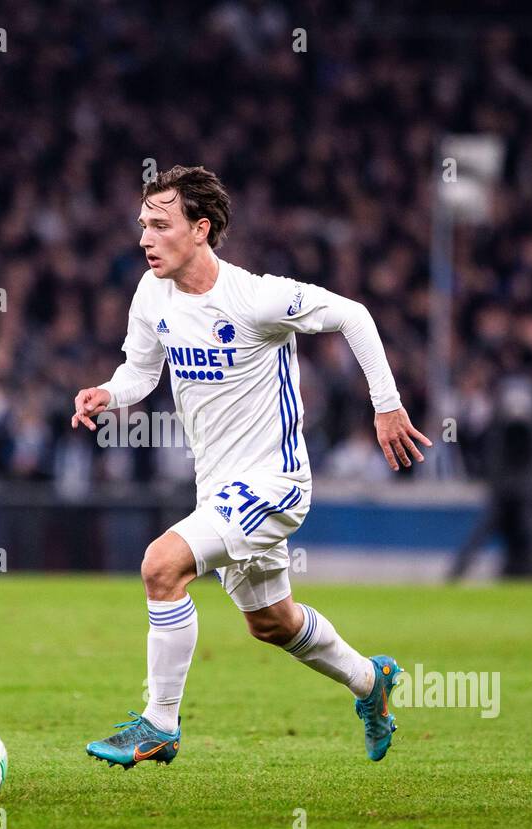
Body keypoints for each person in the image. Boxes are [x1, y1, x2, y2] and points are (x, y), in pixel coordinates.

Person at [71, 166, 430, 768]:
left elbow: (354, 315)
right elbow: (141, 371)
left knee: (161, 566)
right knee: (272, 623)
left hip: (275, 483)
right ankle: (371, 682)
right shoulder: (150, 293)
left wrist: (386, 406)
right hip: (217, 489)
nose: (145, 239)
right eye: (142, 226)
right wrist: (108, 392)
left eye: (160, 225)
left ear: (201, 229)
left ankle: (159, 724)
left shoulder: (256, 297)